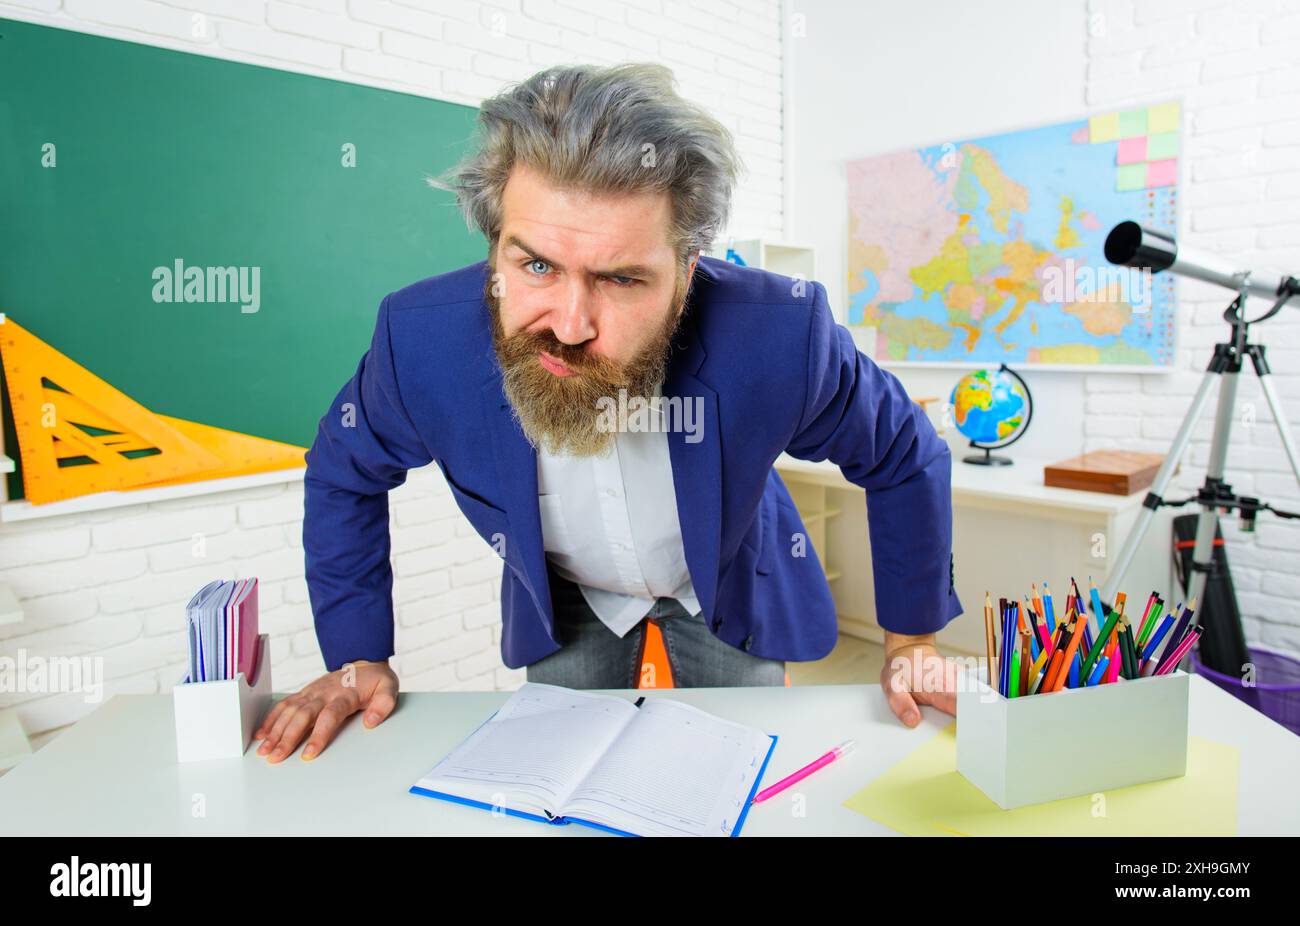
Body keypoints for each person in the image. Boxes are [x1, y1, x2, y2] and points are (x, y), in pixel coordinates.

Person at [254, 62, 962, 764]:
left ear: (685, 276)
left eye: (621, 278)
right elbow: (345, 471)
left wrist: (911, 640)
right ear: (496, 248)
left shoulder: (779, 337)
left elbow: (905, 451)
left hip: (728, 589)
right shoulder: (420, 345)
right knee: (560, 787)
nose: (568, 325)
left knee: (744, 780)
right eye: (535, 266)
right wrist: (357, 657)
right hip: (570, 605)